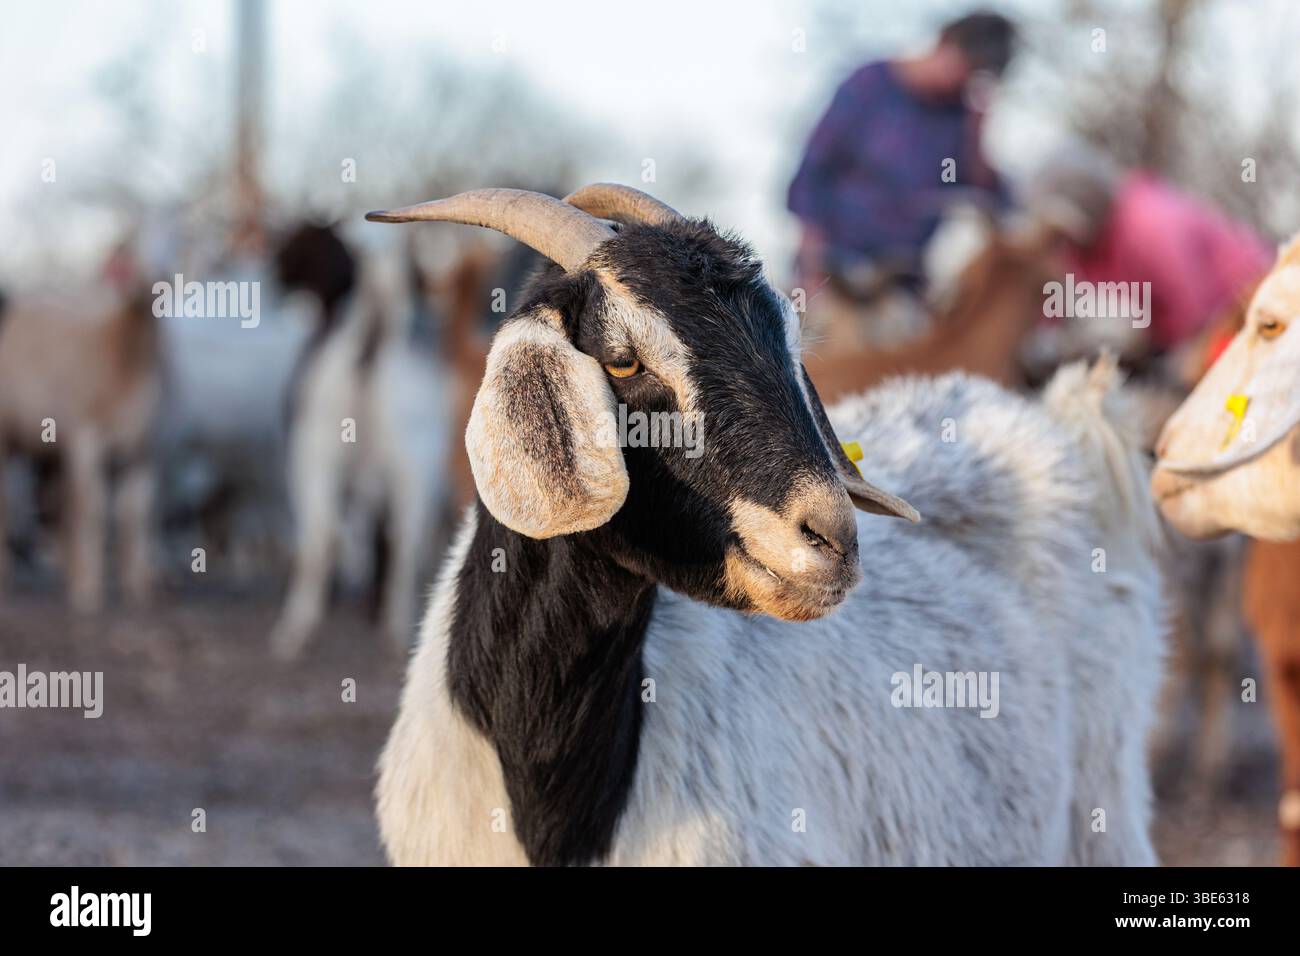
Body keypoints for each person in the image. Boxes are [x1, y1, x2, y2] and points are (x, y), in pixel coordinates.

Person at [788, 10, 1018, 346]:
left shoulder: (958, 118)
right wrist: (811, 267)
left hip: (903, 287)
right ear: (945, 43)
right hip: (836, 275)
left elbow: (991, 204)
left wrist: (976, 136)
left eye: (975, 77)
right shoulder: (870, 87)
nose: (962, 82)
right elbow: (813, 174)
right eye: (964, 68)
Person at [1024, 147, 1273, 365]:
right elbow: (1062, 302)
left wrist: (1167, 360)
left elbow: (1193, 314)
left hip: (1247, 307)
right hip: (1193, 335)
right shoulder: (1084, 245)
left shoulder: (1151, 224)